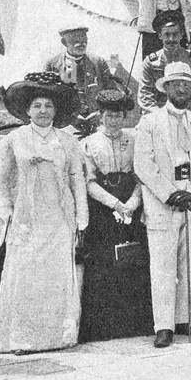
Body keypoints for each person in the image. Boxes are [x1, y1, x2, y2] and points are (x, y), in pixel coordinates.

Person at [0, 72, 89, 354]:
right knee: (26, 276)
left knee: (55, 276)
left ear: (56, 110)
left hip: (58, 217)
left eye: (48, 106)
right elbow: (1, 178)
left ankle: (57, 336)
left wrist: (81, 217)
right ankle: (23, 338)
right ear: (28, 110)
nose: (43, 111)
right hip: (26, 218)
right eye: (37, 106)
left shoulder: (67, 142)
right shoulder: (15, 140)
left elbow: (76, 178)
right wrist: (6, 210)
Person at [134, 61, 191, 348]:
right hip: (163, 204)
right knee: (163, 267)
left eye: (186, 84)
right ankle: (164, 325)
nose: (181, 88)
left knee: (189, 262)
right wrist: (169, 193)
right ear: (166, 88)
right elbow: (144, 165)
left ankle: (183, 318)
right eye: (176, 84)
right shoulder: (149, 123)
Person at [79, 88, 153, 343]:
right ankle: (104, 328)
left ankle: (136, 323)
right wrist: (115, 205)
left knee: (135, 260)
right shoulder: (88, 144)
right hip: (103, 208)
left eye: (119, 116)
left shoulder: (134, 139)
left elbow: (142, 174)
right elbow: (88, 182)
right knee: (104, 264)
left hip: (132, 202)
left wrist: (132, 203)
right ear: (100, 116)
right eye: (109, 116)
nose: (114, 121)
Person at [43, 24, 115, 135]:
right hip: (65, 126)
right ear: (64, 42)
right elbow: (48, 98)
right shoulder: (52, 65)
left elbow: (112, 92)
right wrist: (71, 117)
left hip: (98, 124)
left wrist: (100, 113)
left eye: (84, 40)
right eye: (75, 40)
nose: (81, 44)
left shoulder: (99, 62)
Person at [139, 15, 191, 115]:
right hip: (160, 113)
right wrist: (160, 116)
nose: (171, 39)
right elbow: (146, 95)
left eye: (175, 34)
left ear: (181, 35)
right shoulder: (151, 62)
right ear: (160, 36)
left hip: (189, 112)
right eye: (167, 34)